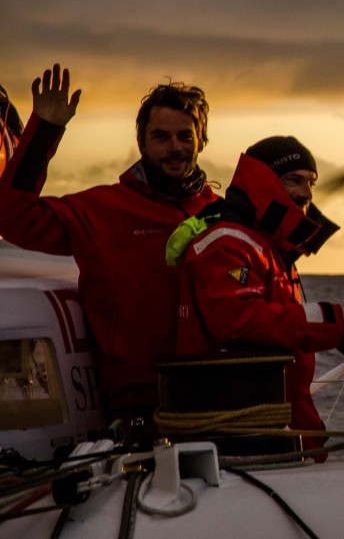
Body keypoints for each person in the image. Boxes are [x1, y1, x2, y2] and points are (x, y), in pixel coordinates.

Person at [0, 63, 218, 426]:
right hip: (137, 409)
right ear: (142, 142)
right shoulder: (101, 211)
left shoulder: (223, 218)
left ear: (201, 141)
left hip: (219, 400)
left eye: (185, 136)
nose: (174, 148)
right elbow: (13, 219)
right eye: (161, 137)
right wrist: (44, 130)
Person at [167, 136, 344, 458]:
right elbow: (239, 321)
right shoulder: (228, 244)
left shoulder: (269, 250)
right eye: (294, 180)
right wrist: (336, 328)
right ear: (263, 181)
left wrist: (310, 438)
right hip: (236, 446)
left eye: (311, 183)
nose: (306, 193)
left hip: (278, 438)